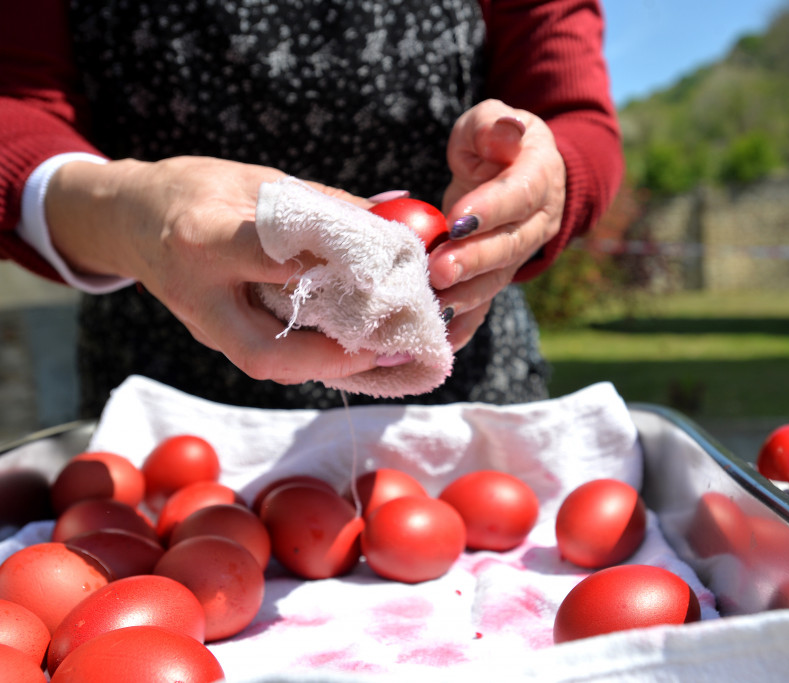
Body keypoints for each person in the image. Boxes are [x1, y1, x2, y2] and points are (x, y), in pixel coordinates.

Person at [0, 0, 622, 417]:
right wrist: (133, 213)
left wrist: (537, 184)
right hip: (172, 398)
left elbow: (574, 115)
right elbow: (19, 107)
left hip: (456, 381)